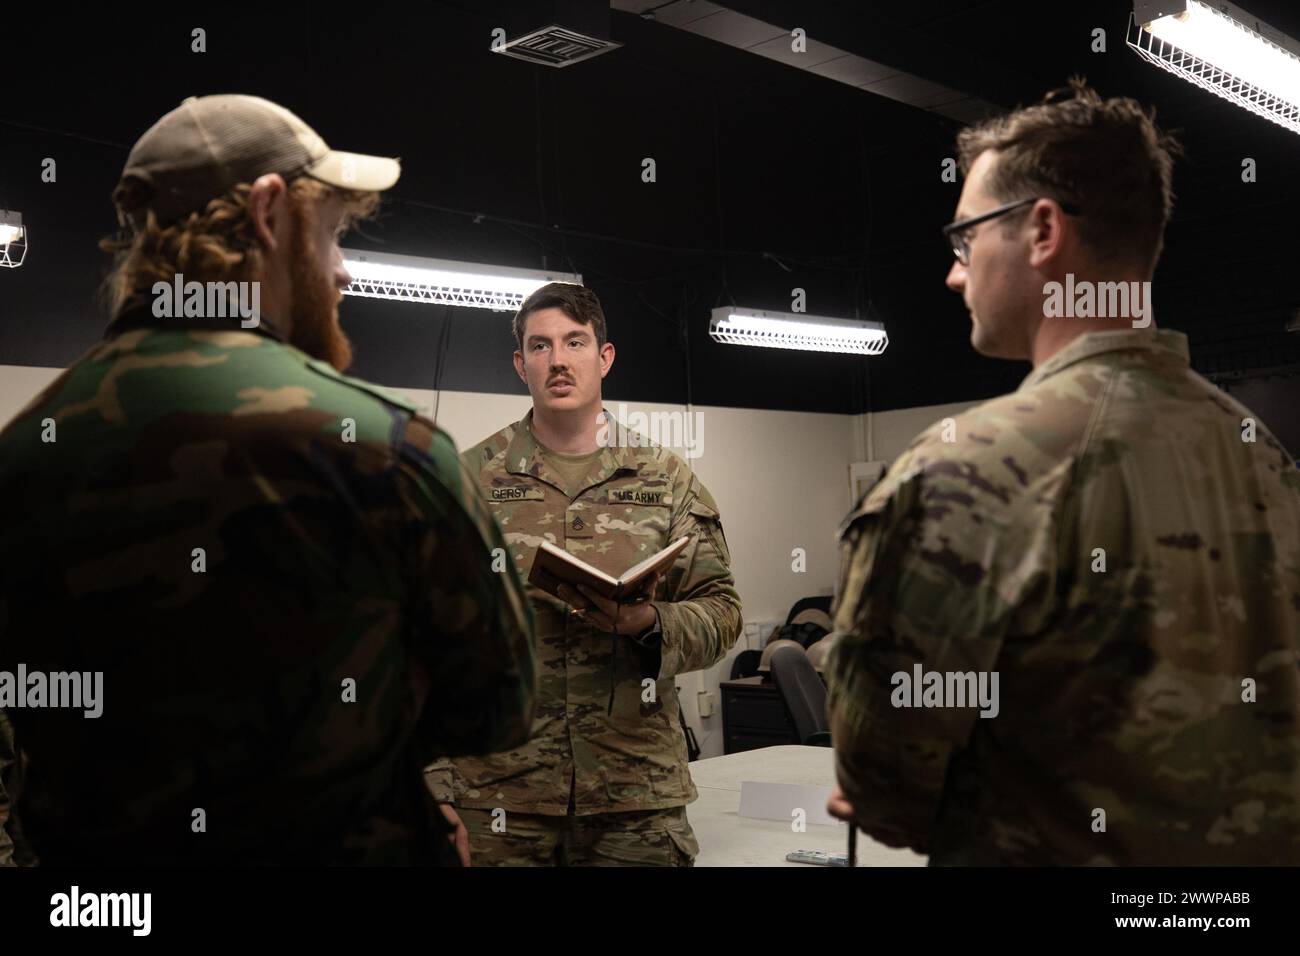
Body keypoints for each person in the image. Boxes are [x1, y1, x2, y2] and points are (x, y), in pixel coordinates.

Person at [0, 94, 536, 865]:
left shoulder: (24, 452)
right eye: (332, 233)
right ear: (269, 211)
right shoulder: (386, 447)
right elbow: (499, 711)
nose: (342, 268)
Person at [824, 79, 1300, 865]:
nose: (954, 273)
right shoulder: (1267, 458)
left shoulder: (964, 471)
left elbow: (882, 785)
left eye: (965, 238)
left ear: (1043, 230)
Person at [426, 282, 742, 865]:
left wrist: (648, 620)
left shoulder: (667, 480)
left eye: (575, 342)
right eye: (541, 347)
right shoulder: (466, 480)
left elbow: (721, 613)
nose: (559, 360)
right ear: (521, 364)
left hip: (634, 796)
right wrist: (433, 785)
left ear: (605, 357)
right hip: (499, 797)